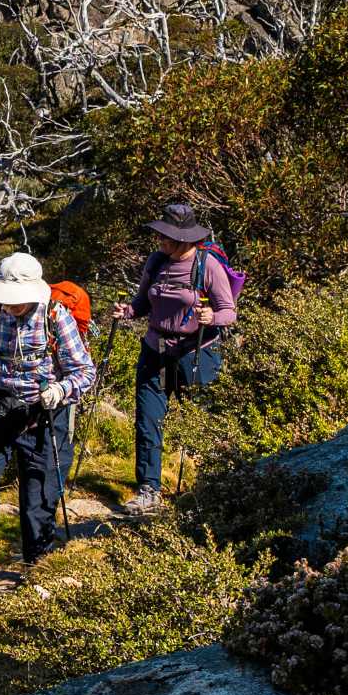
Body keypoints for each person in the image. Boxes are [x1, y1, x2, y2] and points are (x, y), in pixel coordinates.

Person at [0, 250, 97, 589]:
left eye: (15, 300)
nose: (10, 305)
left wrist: (60, 390)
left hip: (43, 415)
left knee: (38, 492)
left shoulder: (56, 317)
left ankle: (38, 565)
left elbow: (85, 372)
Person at [112, 201, 238, 515]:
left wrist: (212, 315)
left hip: (193, 355)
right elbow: (142, 303)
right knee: (148, 421)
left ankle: (210, 487)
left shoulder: (207, 266)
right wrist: (127, 312)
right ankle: (148, 491)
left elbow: (229, 312)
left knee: (195, 424)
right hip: (155, 352)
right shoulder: (156, 262)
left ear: (184, 239)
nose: (159, 241)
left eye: (165, 236)